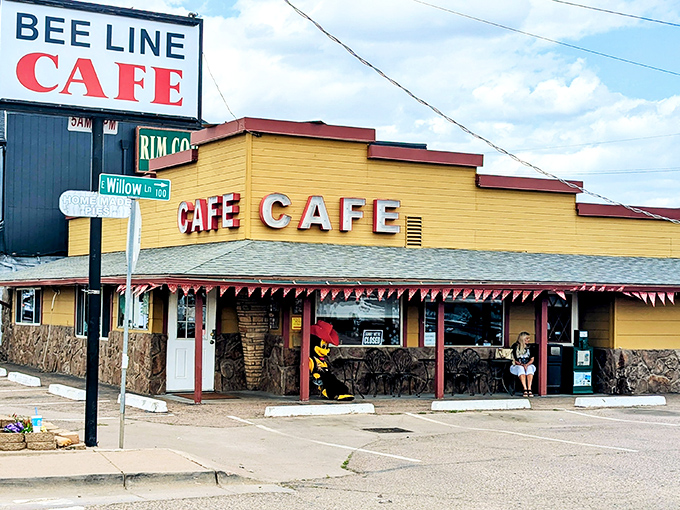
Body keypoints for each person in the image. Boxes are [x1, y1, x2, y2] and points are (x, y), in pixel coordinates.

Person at [510, 331, 536, 397]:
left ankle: (529, 388)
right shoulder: (515, 346)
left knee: (530, 368)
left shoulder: (530, 347)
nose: (528, 340)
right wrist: (521, 365)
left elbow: (532, 359)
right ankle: (525, 388)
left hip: (528, 364)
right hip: (517, 365)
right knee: (521, 369)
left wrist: (526, 365)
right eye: (527, 339)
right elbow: (514, 359)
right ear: (522, 339)